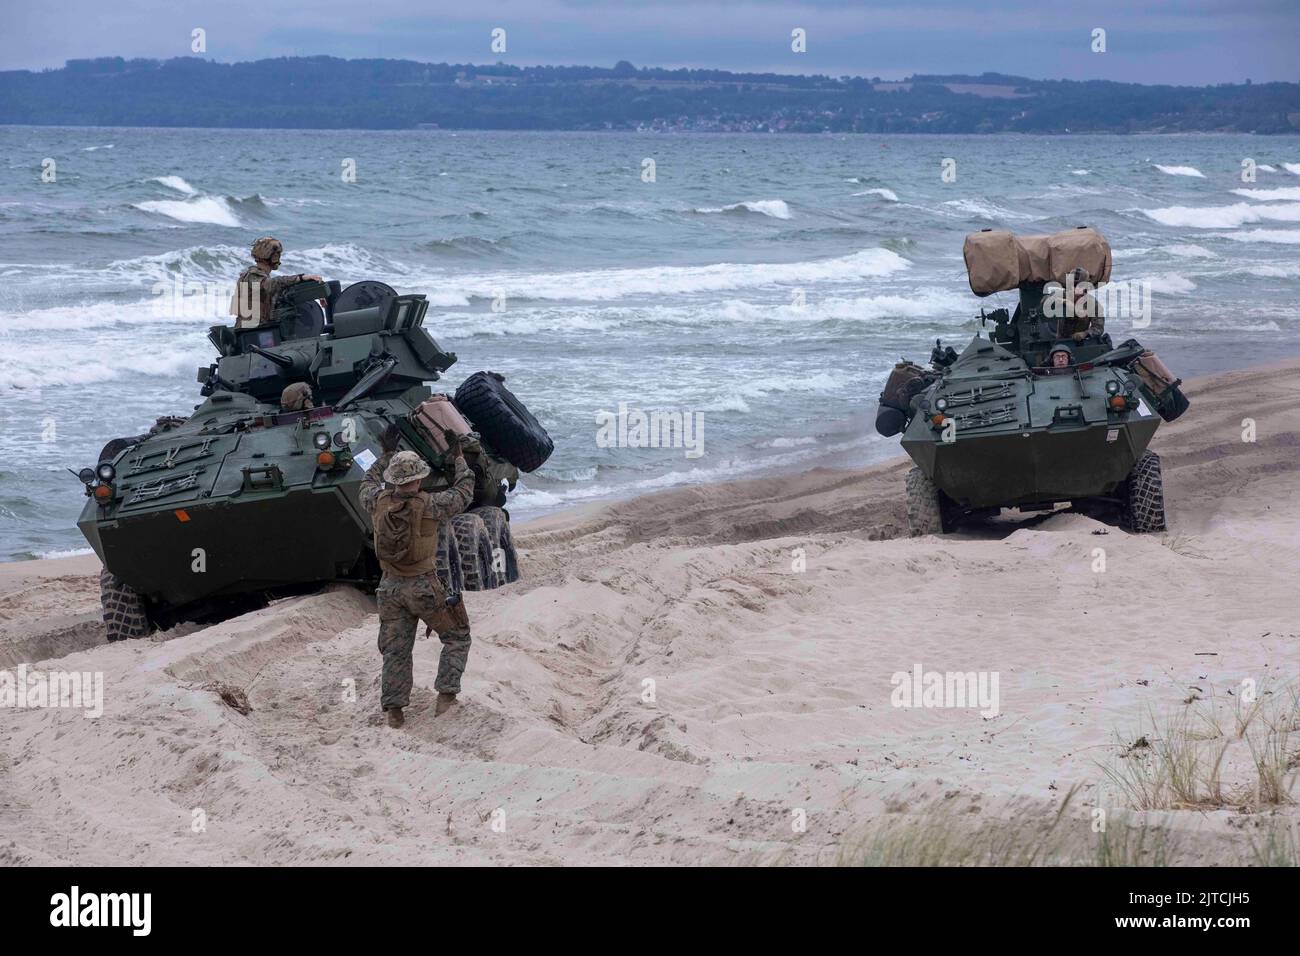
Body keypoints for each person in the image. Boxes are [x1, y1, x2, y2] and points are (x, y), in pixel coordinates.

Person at [358, 431, 476, 728]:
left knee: (396, 651)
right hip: (424, 586)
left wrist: (385, 454)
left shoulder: (376, 501)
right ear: (419, 479)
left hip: (389, 588)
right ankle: (446, 698)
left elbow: (366, 482)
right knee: (457, 636)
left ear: (393, 480)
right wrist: (459, 457)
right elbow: (464, 491)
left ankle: (394, 712)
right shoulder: (433, 504)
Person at [229, 237, 322, 330]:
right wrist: (300, 277)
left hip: (259, 328)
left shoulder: (260, 276)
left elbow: (282, 293)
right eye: (277, 255)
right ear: (272, 257)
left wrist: (316, 291)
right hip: (250, 332)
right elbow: (271, 284)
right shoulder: (252, 276)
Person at [1055, 267, 1104, 342]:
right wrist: (1061, 301)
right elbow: (1045, 300)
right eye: (1073, 285)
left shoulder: (1092, 304)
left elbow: (1098, 328)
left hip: (1079, 342)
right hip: (1059, 341)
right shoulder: (1061, 295)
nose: (1075, 288)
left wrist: (1085, 333)